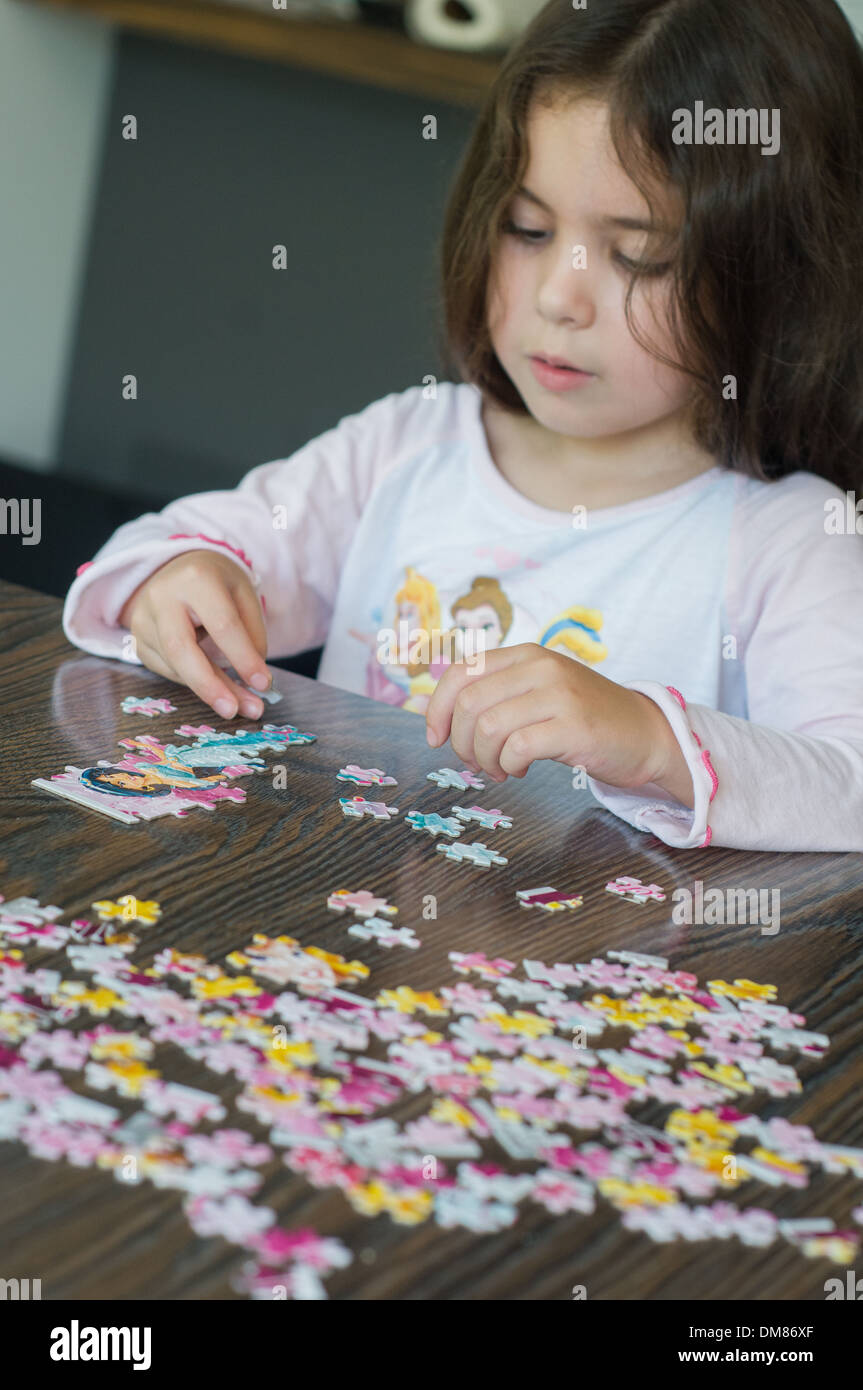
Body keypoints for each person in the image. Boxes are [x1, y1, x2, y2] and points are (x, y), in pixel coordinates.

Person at [63, 0, 863, 852]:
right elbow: (174, 550)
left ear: (777, 270)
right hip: (334, 933)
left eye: (638, 256)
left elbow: (848, 784)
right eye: (527, 229)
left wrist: (649, 739)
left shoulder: (792, 540)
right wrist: (180, 578)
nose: (560, 296)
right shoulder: (407, 445)